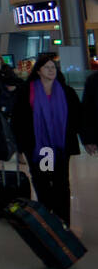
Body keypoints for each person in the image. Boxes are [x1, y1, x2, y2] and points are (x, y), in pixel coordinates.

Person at [10, 53, 98, 227]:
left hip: (60, 146)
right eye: (47, 67)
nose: (51, 70)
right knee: (44, 181)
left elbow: (78, 117)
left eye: (53, 68)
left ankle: (62, 221)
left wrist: (87, 139)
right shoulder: (28, 91)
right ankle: (48, 217)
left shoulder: (65, 91)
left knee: (61, 183)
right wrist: (19, 146)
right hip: (42, 148)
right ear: (39, 71)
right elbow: (18, 120)